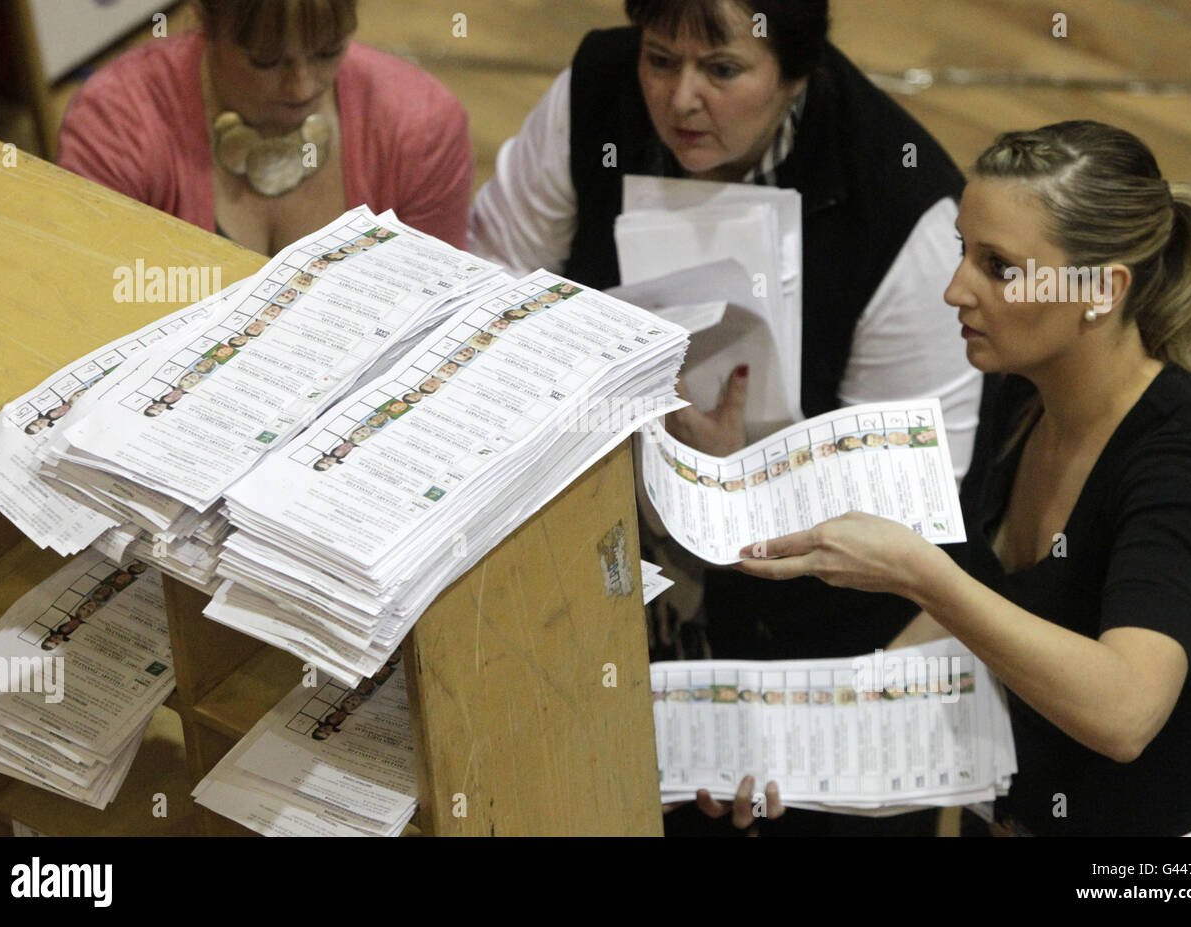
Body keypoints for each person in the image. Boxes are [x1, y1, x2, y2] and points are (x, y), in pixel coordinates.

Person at [738, 121, 1191, 836]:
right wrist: (801, 742)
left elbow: (1127, 710)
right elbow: (972, 604)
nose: (956, 289)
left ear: (1100, 290)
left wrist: (923, 573)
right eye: (963, 251)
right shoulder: (1020, 388)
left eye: (999, 267)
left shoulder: (1183, 457)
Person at [471, 0, 978, 687]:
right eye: (659, 59)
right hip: (588, 527)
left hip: (805, 623)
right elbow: (496, 290)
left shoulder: (899, 207)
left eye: (722, 69)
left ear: (795, 74)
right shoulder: (597, 91)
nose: (681, 99)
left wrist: (741, 485)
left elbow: (906, 504)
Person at [57, 0, 472, 254]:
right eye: (266, 61)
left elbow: (431, 313)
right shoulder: (117, 124)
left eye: (328, 51)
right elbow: (92, 308)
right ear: (204, 21)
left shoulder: (423, 128)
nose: (303, 86)